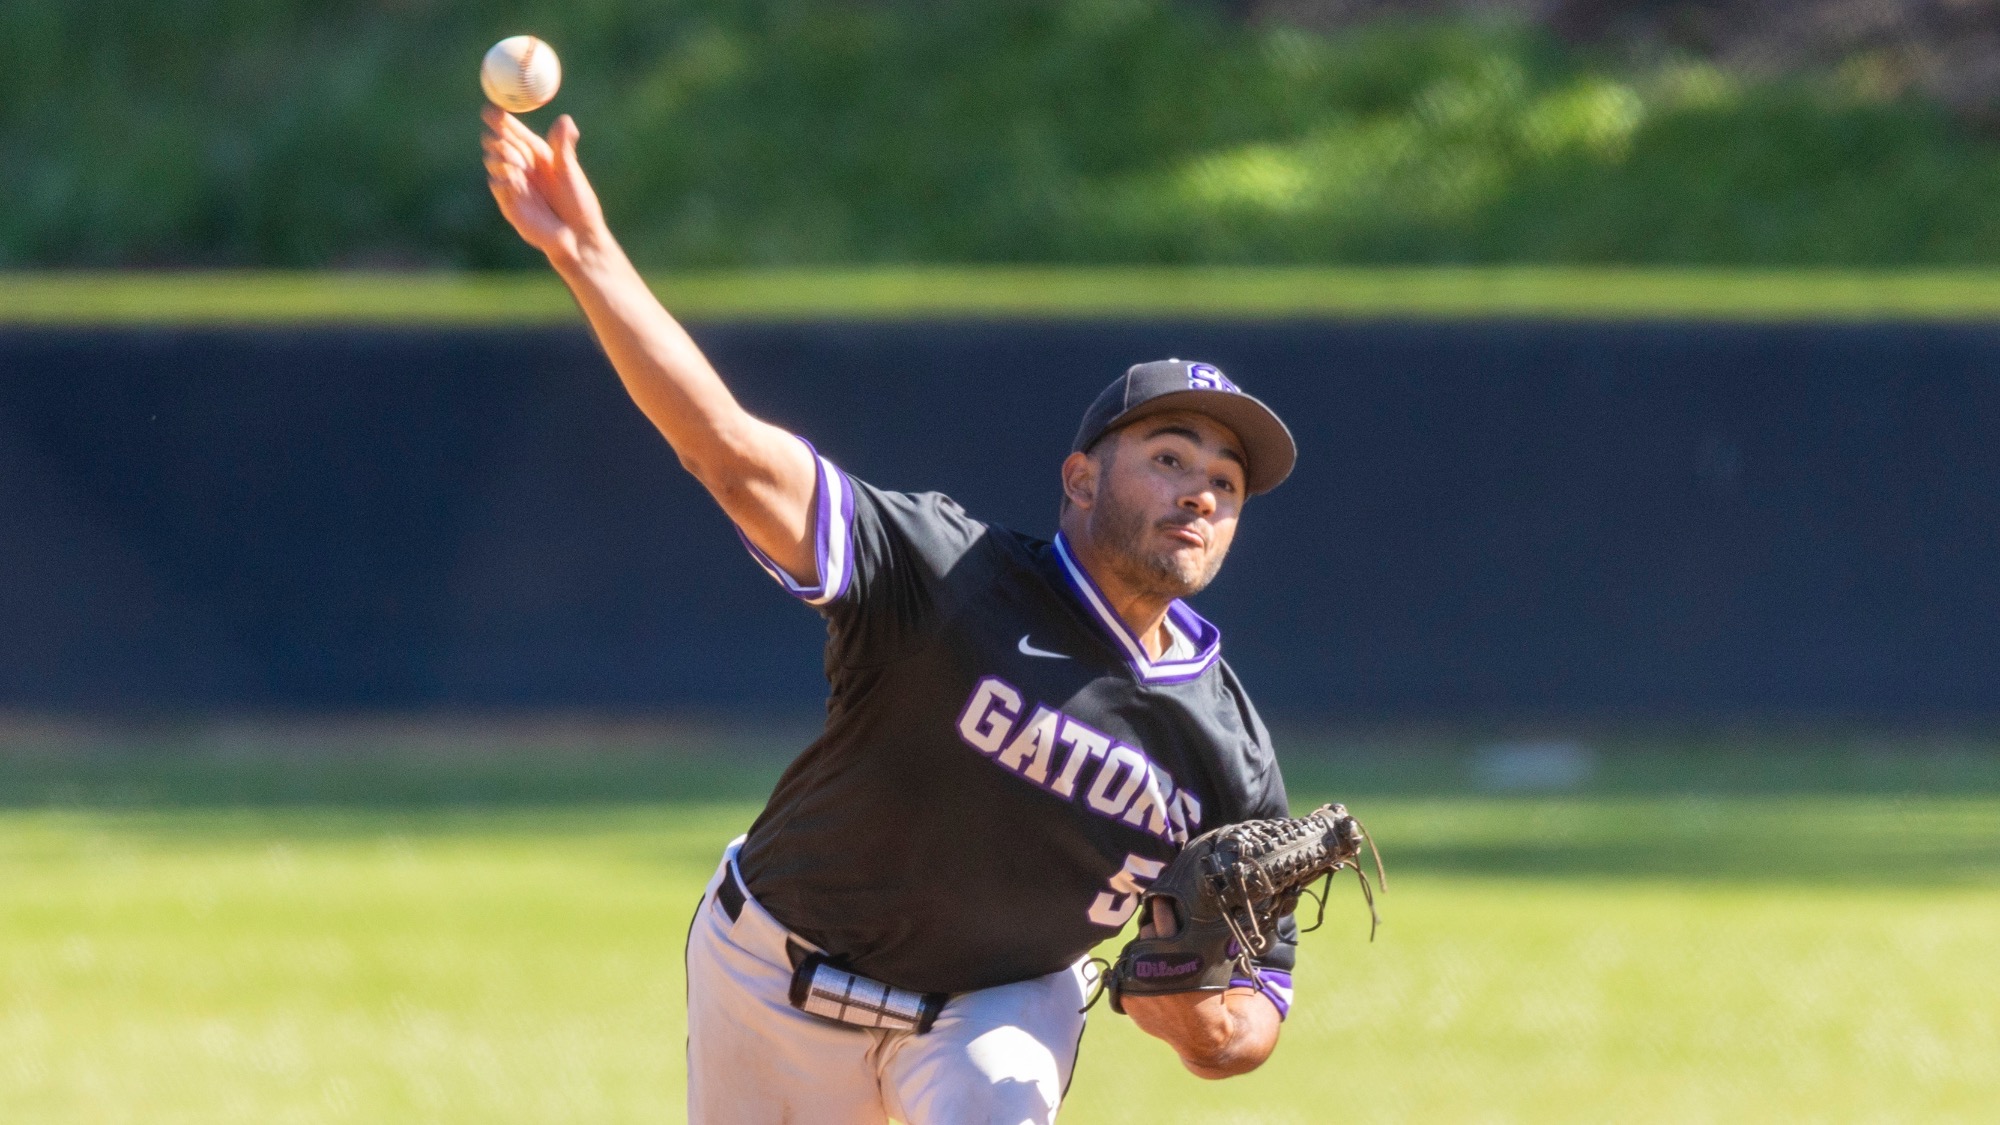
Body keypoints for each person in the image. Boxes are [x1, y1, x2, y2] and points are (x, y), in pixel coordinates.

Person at [482, 106, 1303, 1124]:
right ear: (1080, 480)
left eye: (1226, 481)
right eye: (1169, 457)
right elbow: (732, 457)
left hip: (996, 1011)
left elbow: (1250, 1012)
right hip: (769, 972)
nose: (1201, 493)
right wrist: (587, 254)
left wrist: (1194, 1016)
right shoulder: (942, 572)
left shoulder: (1225, 752)